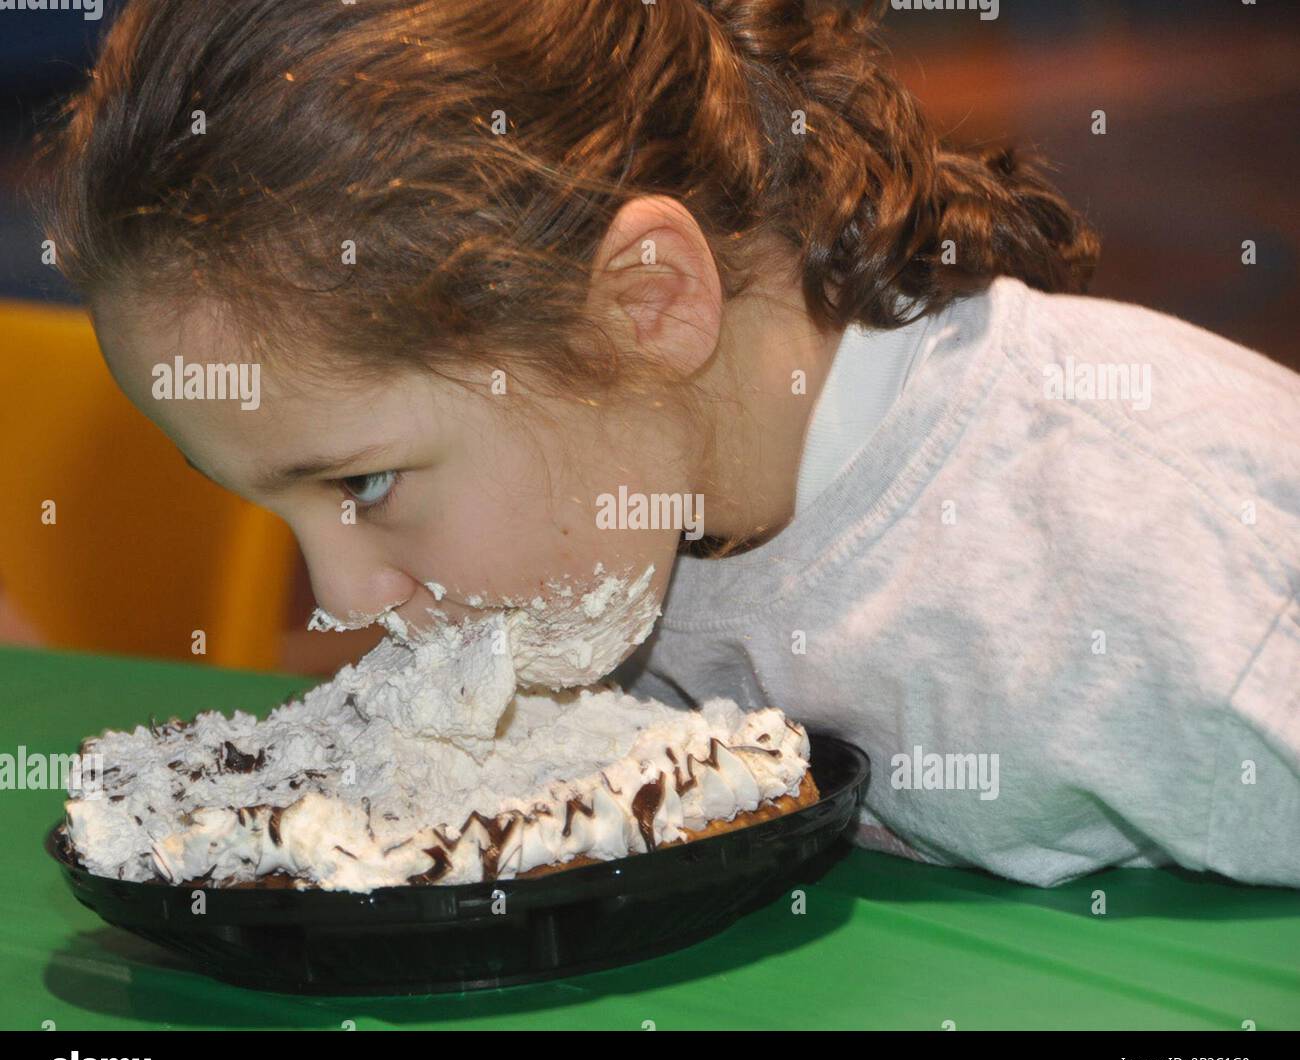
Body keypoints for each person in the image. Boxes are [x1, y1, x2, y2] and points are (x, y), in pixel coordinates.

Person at [38, 0, 1299, 887]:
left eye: (364, 482)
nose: (343, 596)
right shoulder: (613, 514)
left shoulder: (1148, 575)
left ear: (646, 304)